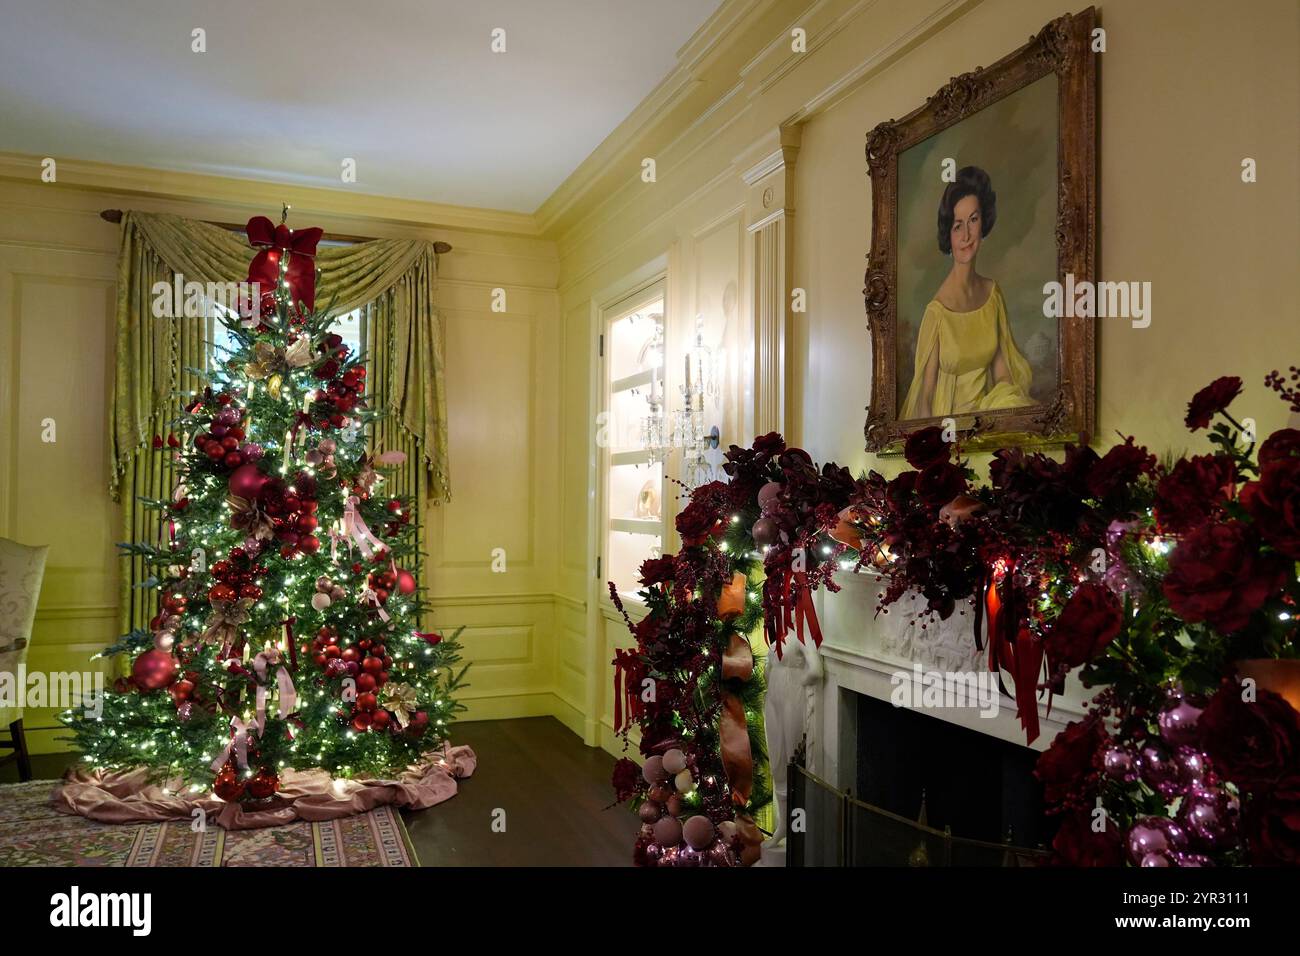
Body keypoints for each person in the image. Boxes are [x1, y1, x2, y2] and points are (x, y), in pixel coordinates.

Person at [900, 166, 1035, 420]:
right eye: (957, 226)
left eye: (973, 220)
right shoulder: (937, 312)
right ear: (948, 235)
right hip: (947, 431)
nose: (966, 236)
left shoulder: (993, 295)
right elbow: (924, 401)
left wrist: (1003, 418)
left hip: (985, 424)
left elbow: (1002, 373)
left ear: (984, 221)